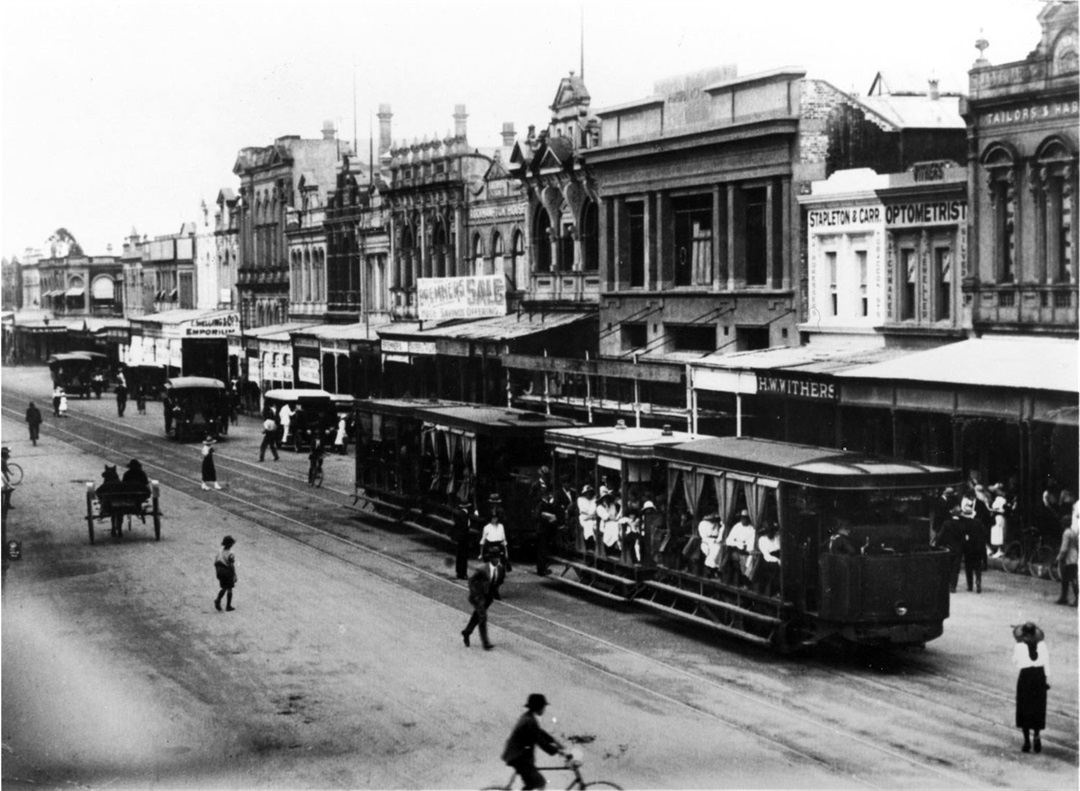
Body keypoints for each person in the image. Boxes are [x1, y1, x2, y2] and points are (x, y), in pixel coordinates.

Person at [501, 694, 565, 790]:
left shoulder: (528, 718)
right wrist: (557, 751)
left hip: (518, 757)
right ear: (538, 707)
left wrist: (554, 741)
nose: (544, 709)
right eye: (543, 707)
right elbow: (540, 742)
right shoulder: (529, 721)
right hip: (519, 758)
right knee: (539, 782)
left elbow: (539, 731)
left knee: (535, 783)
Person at [1012, 622, 1049, 754]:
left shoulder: (1019, 646)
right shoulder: (1042, 645)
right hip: (1039, 677)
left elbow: (1015, 662)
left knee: (1024, 708)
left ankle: (1027, 741)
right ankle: (1037, 735)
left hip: (1026, 677)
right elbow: (1046, 664)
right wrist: (1045, 680)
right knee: (1037, 708)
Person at [461, 559, 497, 650]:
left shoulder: (499, 569)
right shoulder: (482, 569)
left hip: (487, 597)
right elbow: (471, 581)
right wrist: (476, 595)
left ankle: (467, 632)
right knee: (482, 617)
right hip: (478, 597)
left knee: (477, 616)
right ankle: (485, 643)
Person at [933, 506, 967, 593]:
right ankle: (953, 586)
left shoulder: (946, 523)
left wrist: (937, 545)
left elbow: (940, 536)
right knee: (956, 569)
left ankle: (947, 584)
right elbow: (964, 538)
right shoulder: (962, 524)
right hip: (958, 549)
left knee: (948, 567)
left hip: (948, 548)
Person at [723, 509, 756, 585]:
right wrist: (737, 543)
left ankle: (746, 580)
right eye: (742, 518)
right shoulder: (737, 527)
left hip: (747, 550)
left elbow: (751, 542)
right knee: (740, 558)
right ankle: (742, 581)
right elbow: (728, 540)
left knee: (749, 560)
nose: (744, 520)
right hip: (736, 550)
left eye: (746, 518)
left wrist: (745, 546)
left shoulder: (752, 529)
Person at [534, 486, 559, 576]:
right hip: (542, 530)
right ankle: (541, 570)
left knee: (544, 551)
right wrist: (547, 519)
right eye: (547, 495)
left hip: (546, 530)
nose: (549, 496)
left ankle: (543, 568)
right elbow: (538, 516)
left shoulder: (547, 504)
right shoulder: (541, 504)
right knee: (542, 551)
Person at [1056, 505, 1078, 606]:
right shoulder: (1073, 533)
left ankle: (1074, 598)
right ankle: (1064, 597)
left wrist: (1059, 558)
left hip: (1068, 558)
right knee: (1068, 578)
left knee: (1069, 579)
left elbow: (1064, 548)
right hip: (1075, 557)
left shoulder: (1066, 533)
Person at [961, 510, 986, 593]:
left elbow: (963, 536)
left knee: (968, 567)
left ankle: (970, 585)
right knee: (977, 567)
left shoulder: (964, 524)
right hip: (978, 548)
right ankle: (978, 580)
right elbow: (983, 534)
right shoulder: (978, 523)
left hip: (968, 548)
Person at [214, 535, 238, 612]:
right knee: (229, 588)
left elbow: (216, 562)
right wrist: (234, 574)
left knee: (224, 587)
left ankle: (218, 600)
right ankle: (228, 606)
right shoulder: (231, 553)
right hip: (227, 571)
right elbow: (231, 565)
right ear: (230, 544)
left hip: (219, 570)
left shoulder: (220, 551)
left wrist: (217, 572)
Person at [757, 523, 781, 596]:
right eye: (768, 531)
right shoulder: (762, 540)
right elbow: (767, 555)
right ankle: (775, 591)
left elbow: (780, 549)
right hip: (768, 560)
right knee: (776, 568)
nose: (770, 533)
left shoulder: (777, 537)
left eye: (772, 531)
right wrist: (778, 560)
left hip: (779, 556)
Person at [451, 503, 474, 580]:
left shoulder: (461, 514)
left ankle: (459, 572)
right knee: (463, 556)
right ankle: (462, 573)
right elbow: (464, 526)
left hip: (461, 538)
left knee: (460, 555)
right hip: (463, 538)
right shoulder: (464, 515)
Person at [576, 485, 598, 553]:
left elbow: (595, 510)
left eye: (590, 492)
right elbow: (583, 511)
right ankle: (589, 544)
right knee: (589, 525)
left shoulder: (594, 499)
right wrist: (590, 516)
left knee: (597, 524)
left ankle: (597, 544)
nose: (588, 494)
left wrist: (593, 515)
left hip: (593, 516)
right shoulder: (580, 499)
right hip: (584, 517)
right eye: (587, 492)